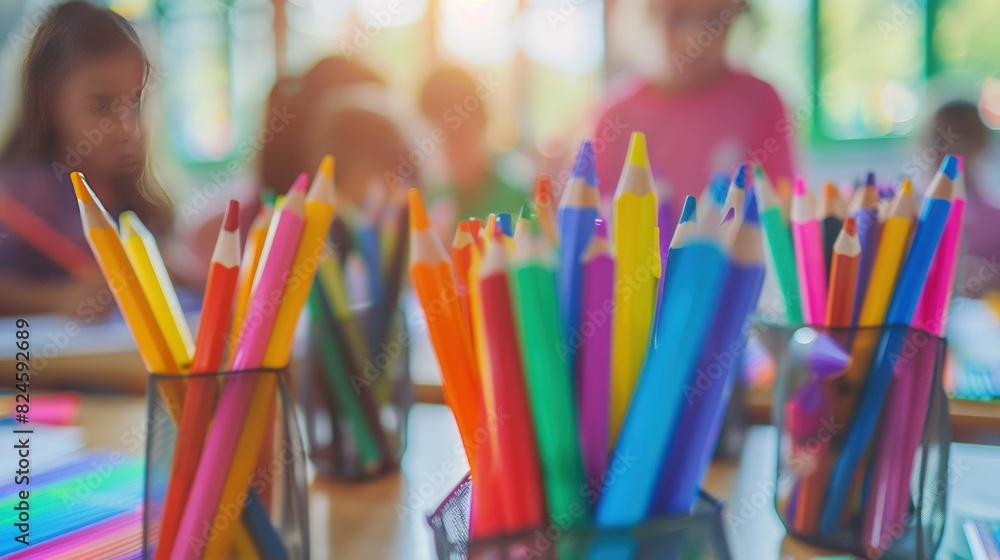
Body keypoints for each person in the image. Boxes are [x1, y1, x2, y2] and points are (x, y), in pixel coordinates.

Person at [0, 1, 173, 315]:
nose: (127, 129)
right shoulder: (15, 193)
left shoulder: (137, 199)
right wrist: (60, 299)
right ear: (47, 101)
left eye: (136, 101)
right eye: (101, 106)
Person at [594, 0, 795, 206]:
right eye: (677, 17)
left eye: (715, 20)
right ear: (645, 14)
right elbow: (595, 214)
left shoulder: (761, 102)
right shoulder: (616, 116)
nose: (697, 37)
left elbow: (781, 203)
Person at [418, 65, 527, 227]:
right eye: (441, 138)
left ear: (482, 123)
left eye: (460, 137)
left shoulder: (516, 200)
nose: (451, 149)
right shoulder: (431, 201)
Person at [922, 100, 1000, 295]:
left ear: (980, 144)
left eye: (961, 135)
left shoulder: (994, 218)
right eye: (937, 139)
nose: (948, 147)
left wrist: (987, 278)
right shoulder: (910, 209)